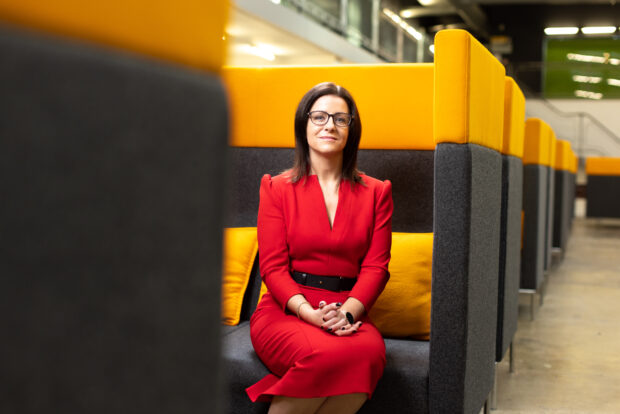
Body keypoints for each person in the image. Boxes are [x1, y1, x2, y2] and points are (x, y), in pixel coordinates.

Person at [246, 82, 393, 414]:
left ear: (350, 130)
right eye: (320, 117)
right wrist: (308, 313)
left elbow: (376, 268)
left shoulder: (377, 192)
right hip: (287, 310)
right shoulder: (276, 188)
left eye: (341, 119)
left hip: (348, 312)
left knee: (369, 355)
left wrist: (347, 313)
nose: (330, 125)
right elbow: (272, 268)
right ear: (304, 124)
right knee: (327, 355)